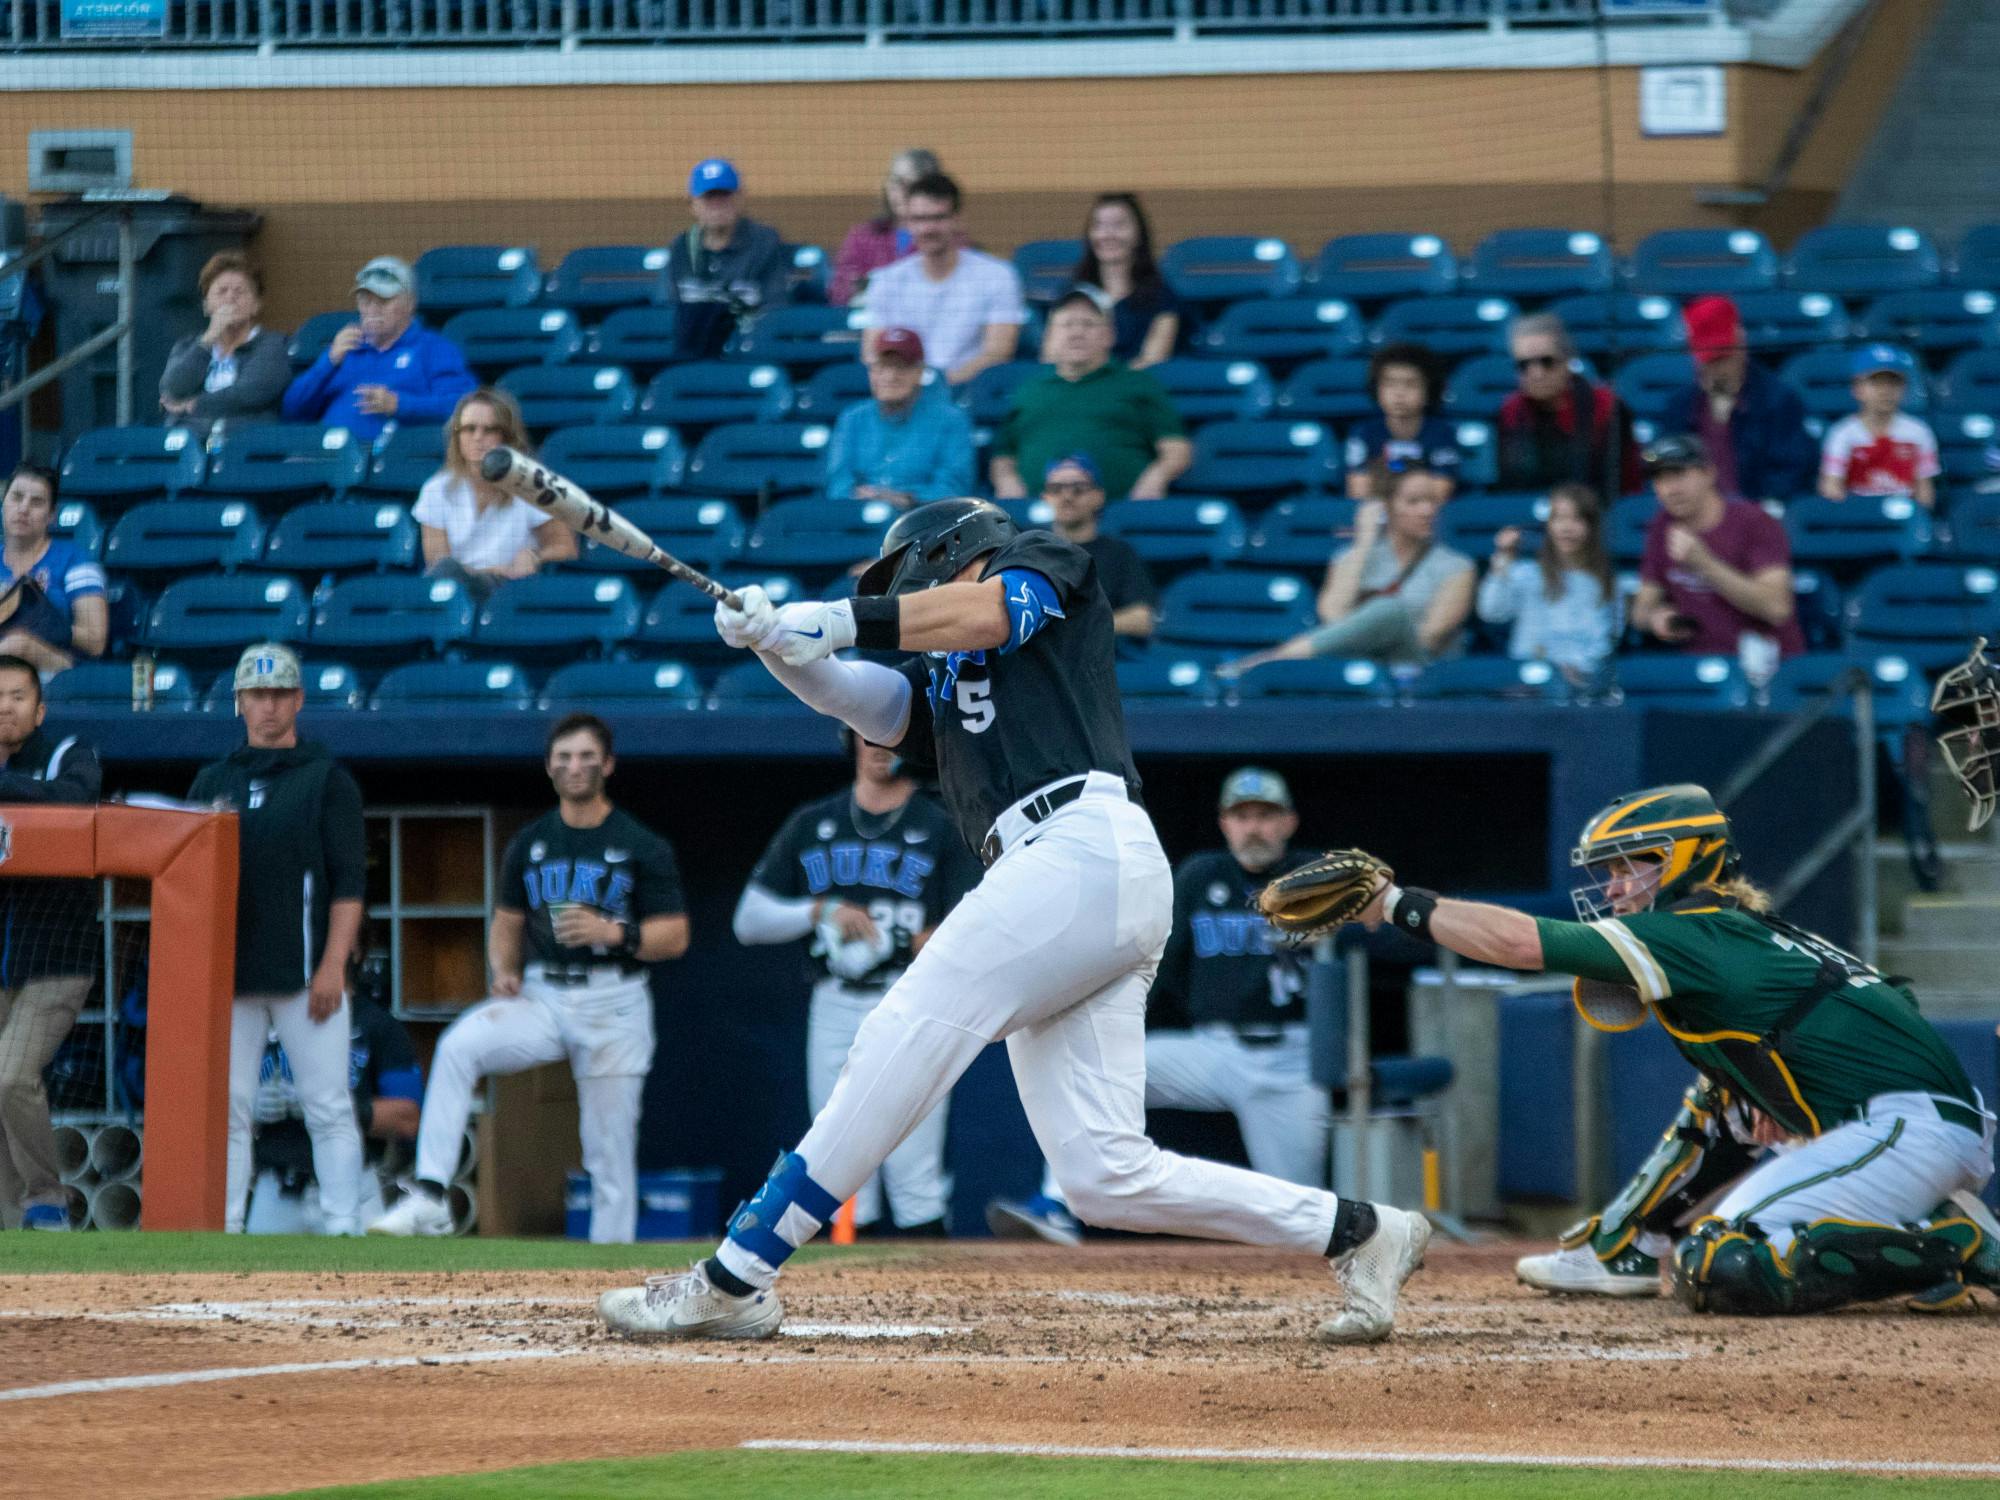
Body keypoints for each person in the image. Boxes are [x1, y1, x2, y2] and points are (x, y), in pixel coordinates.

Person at [595, 498, 1428, 1346]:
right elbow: (863, 702)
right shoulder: (946, 674)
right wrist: (774, 642)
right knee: (1105, 1176)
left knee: (898, 1032)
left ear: (947, 549)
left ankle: (738, 1272)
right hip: (1068, 878)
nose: (903, 592)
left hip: (1079, 846)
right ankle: (1362, 1231)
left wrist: (836, 618)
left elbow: (987, 615)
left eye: (907, 577)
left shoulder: (1040, 560)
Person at [1351, 784, 1998, 1316]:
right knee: (1724, 1101)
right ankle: (1624, 1247)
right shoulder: (1737, 929)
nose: (1614, 887)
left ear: (1691, 856)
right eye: (1610, 871)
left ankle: (1955, 1243)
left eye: (1633, 864)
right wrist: (1779, 1095)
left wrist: (1398, 904)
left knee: (1726, 1263)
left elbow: (1521, 945)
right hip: (1897, 1123)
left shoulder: (1694, 932)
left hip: (1904, 1128)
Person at [369, 714, 689, 1243]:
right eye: (563, 757)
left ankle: (611, 1258)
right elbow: (507, 921)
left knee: (607, 1147)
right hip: (544, 993)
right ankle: (430, 1195)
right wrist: (504, 970)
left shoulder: (639, 842)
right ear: (548, 767)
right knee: (458, 1045)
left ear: (607, 764)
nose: (575, 766)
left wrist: (613, 932)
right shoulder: (531, 841)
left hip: (614, 998)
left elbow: (675, 936)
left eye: (587, 756)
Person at [987, 766, 1329, 1242]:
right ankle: (1058, 1205)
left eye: (1266, 816)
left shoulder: (1318, 875)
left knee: (1305, 1217)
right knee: (1092, 1074)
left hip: (1294, 1061)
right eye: (1242, 816)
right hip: (1212, 1050)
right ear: (1224, 823)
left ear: (1289, 822)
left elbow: (1383, 945)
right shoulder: (1199, 875)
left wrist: (1343, 928)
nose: (1254, 827)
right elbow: (1158, 965)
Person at [734, 729, 976, 1236]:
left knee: (914, 1162)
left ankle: (937, 1294)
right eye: (867, 733)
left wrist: (913, 939)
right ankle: (848, 1290)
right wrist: (820, 909)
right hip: (835, 999)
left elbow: (974, 927)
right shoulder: (814, 821)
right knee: (836, 1150)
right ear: (848, 738)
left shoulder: (940, 824)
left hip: (912, 997)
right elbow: (749, 920)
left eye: (891, 733)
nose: (879, 745)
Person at [191, 644, 367, 1236]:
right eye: (256, 695)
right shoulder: (212, 781)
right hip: (231, 974)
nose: (268, 706)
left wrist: (332, 966)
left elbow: (349, 884)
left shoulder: (327, 778)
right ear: (238, 702)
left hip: (305, 973)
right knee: (229, 1110)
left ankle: (345, 1225)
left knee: (328, 1105)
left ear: (298, 700)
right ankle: (225, 1226)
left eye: (279, 694)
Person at [0, 655, 101, 1230]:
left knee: (10, 1076)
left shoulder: (68, 750)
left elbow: (77, 797)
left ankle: (45, 1197)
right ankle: (15, 1228)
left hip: (55, 960)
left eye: (17, 696)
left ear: (39, 710)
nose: (5, 706)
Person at [1220, 465, 1472, 676]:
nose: (1427, 511)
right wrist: (1363, 543)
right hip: (1353, 664)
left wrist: (1378, 627)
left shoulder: (1457, 566)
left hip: (1421, 668)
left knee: (1390, 610)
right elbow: (1332, 616)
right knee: (1384, 611)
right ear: (1385, 506)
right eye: (1414, 502)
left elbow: (1429, 638)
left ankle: (1264, 663)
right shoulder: (1349, 558)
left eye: (1432, 501)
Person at [989, 288, 1190, 502]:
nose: (1077, 333)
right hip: (1036, 523)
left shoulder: (1138, 383)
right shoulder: (1029, 389)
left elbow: (1176, 449)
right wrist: (1006, 480)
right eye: (1066, 324)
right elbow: (1003, 454)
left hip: (1117, 518)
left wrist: (1155, 479)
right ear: (1050, 334)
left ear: (1110, 334)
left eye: (1088, 324)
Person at [246, 992, 422, 1235]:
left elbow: (408, 1117)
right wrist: (249, 1106)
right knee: (252, 1271)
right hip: (276, 1185)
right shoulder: (254, 1014)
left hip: (356, 1182)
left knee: (363, 1269)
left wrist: (331, 1108)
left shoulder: (375, 1022)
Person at [1631, 433, 1802, 664]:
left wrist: (1704, 564)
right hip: (1697, 668)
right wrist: (1655, 618)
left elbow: (1777, 608)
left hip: (1762, 667)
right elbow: (1642, 608)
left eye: (1678, 474)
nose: (1670, 489)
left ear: (1709, 473)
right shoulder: (1662, 525)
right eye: (1660, 479)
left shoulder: (1755, 522)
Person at [281, 256, 475, 442]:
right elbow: (292, 410)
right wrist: (328, 361)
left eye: (383, 300)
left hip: (393, 461)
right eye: (365, 301)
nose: (372, 309)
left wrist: (399, 405)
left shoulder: (435, 349)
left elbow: (463, 407)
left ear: (410, 304)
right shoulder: (344, 350)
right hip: (329, 456)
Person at [860, 172, 1025, 386]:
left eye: (938, 218)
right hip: (903, 397)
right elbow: (872, 353)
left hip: (968, 395)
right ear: (907, 223)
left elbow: (997, 353)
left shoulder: (997, 276)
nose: (927, 229)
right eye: (919, 219)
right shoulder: (886, 281)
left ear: (957, 220)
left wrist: (938, 386)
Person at [413, 388, 577, 603]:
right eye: (469, 429)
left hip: (512, 589)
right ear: (457, 436)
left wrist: (535, 556)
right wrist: (489, 570)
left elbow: (567, 548)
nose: (478, 437)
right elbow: (437, 563)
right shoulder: (437, 490)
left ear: (506, 437)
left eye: (489, 430)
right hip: (459, 590)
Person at [1659, 295, 1815, 505]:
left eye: (1724, 356)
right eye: (1711, 360)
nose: (1718, 368)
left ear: (1741, 340)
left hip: (1758, 518)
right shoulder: (1680, 406)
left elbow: (1789, 473)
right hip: (1695, 519)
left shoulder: (1778, 400)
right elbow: (1667, 470)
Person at [1475, 483, 1618, 681]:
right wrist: (1503, 559)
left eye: (1577, 519)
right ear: (1548, 525)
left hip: (1584, 682)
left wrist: (1577, 670)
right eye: (1558, 518)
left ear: (1593, 525)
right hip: (1529, 681)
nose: (1567, 528)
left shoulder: (1607, 580)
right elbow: (1491, 612)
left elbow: (1607, 638)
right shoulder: (1526, 573)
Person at [822, 327, 973, 507]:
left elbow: (953, 487)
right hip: (859, 516)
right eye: (882, 366)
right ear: (871, 372)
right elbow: (838, 481)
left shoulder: (950, 420)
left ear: (919, 372)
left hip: (925, 519)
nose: (890, 376)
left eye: (902, 367)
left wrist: (908, 498)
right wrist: (856, 495)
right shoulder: (852, 418)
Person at [1496, 312, 1639, 497]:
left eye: (1547, 362)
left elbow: (1626, 485)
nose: (1536, 374)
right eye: (1524, 365)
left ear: (1567, 361)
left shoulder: (1605, 406)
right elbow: (1508, 487)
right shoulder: (1510, 412)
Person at [665, 157, 789, 362]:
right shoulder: (681, 247)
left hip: (751, 353)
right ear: (691, 204)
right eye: (709, 198)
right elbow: (668, 307)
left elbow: (775, 308)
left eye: (724, 197)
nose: (717, 206)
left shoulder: (765, 242)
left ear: (741, 198)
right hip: (691, 356)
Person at [158, 251, 290, 432]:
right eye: (221, 291)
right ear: (206, 305)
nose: (230, 298)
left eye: (240, 291)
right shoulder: (188, 345)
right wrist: (208, 339)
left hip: (244, 443)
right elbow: (173, 388)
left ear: (256, 305)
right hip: (188, 441)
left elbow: (250, 393)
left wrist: (192, 405)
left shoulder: (274, 344)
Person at [1050, 193, 1179, 369]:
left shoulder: (1162, 296)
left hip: (1131, 391)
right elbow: (1051, 355)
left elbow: (1153, 361)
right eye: (1099, 225)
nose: (1107, 234)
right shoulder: (1071, 294)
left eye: (1119, 225)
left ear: (1139, 234)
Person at [0, 465, 106, 676]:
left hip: (58, 667)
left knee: (17, 644)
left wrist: (45, 624)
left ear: (51, 516)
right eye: (16, 497)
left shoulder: (75, 561)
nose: (23, 508)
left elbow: (96, 641)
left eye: (36, 502)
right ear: (3, 504)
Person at [1040, 454, 1157, 641]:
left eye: (1078, 489)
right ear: (1045, 497)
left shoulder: (1119, 553)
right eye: (1056, 489)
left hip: (1103, 656)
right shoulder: (1029, 549)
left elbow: (1142, 618)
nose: (1067, 496)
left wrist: (1079, 626)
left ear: (1098, 496)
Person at [1818, 344, 1940, 510]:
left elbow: (1925, 492)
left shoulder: (1918, 432)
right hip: (1857, 517)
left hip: (1901, 520)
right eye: (1876, 383)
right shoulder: (1842, 433)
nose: (1885, 391)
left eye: (1893, 383)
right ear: (1857, 388)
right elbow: (1831, 489)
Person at [830, 148, 953, 308]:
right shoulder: (863, 236)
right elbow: (838, 292)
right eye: (895, 181)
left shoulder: (948, 237)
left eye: (911, 183)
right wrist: (859, 288)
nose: (900, 191)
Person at [1344, 343, 1461, 498]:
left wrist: (1386, 478)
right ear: (1376, 389)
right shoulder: (1364, 433)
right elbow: (1358, 490)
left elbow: (1440, 491)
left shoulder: (1442, 434)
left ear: (1429, 390)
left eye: (1410, 384)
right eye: (1390, 384)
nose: (1399, 393)